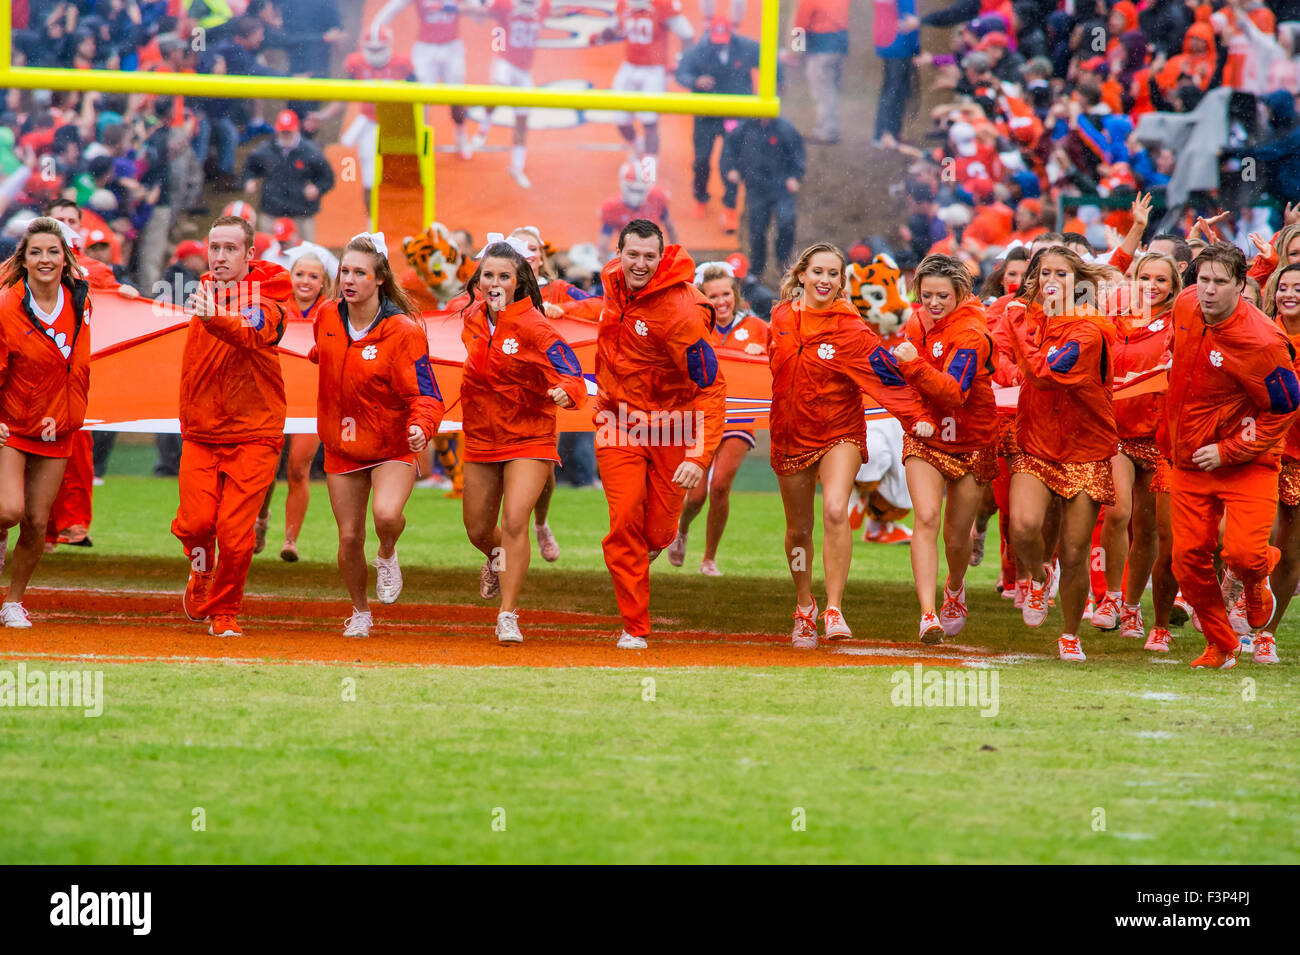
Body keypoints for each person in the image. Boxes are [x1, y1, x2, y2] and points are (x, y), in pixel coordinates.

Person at [769, 243, 932, 648]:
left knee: (835, 510)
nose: (824, 280)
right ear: (802, 274)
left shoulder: (850, 328)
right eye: (818, 272)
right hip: (790, 434)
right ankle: (804, 605)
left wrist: (918, 417)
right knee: (797, 529)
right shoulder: (780, 318)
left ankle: (834, 609)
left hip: (839, 430)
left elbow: (886, 377)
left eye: (833, 274)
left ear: (842, 282)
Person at [1165, 243, 1300, 670]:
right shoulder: (1185, 305)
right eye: (1203, 279)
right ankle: (1221, 646)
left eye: (1220, 282)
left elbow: (1285, 408)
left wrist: (1228, 451)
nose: (1208, 291)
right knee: (1186, 562)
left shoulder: (1263, 342)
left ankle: (1258, 576)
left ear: (1242, 286)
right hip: (1187, 460)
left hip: (1247, 463)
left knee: (1242, 554)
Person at [594, 219, 726, 649]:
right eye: (632, 254)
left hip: (673, 428)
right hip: (617, 423)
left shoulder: (681, 314)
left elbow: (711, 386)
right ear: (619, 252)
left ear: (661, 256)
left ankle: (652, 544)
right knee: (624, 520)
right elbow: (611, 320)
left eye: (649, 256)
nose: (640, 263)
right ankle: (634, 627)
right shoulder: (611, 282)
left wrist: (698, 456)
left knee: (656, 534)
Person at [311, 233, 444, 638]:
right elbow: (322, 352)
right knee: (349, 536)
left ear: (379, 278)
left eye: (359, 273)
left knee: (386, 516)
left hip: (392, 443)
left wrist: (422, 427)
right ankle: (361, 611)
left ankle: (387, 552)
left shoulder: (404, 331)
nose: (349, 280)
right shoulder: (327, 317)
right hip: (342, 445)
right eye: (344, 271)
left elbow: (428, 393)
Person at [458, 237, 586, 643]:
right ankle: (496, 559)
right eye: (488, 275)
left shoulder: (534, 325)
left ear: (518, 282)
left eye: (503, 276)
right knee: (479, 530)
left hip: (529, 435)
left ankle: (507, 615)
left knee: (515, 520)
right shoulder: (472, 319)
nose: (495, 282)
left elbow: (571, 369)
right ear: (479, 281)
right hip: (481, 436)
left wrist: (568, 391)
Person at [172, 215, 293, 639]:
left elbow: (253, 331)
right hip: (202, 432)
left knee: (235, 534)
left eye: (230, 249)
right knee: (196, 522)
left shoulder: (269, 297)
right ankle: (200, 565)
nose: (220, 256)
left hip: (254, 433)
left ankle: (224, 612)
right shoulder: (202, 291)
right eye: (215, 247)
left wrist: (214, 318)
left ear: (249, 255)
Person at [1005, 246, 1119, 662]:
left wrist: (1016, 327)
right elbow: (996, 346)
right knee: (1022, 526)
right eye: (1045, 272)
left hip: (1085, 449)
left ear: (1080, 283)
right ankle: (1037, 576)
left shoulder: (1090, 330)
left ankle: (1070, 633)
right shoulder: (1026, 317)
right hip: (1036, 441)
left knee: (1074, 551)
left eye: (1062, 274)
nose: (1052, 280)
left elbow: (1046, 374)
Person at [892, 254, 997, 644]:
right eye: (926, 296)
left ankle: (954, 585)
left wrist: (914, 364)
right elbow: (902, 384)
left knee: (957, 537)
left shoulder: (971, 334)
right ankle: (927, 613)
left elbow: (953, 392)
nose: (933, 304)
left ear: (961, 294)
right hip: (926, 437)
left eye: (942, 297)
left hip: (970, 439)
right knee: (926, 517)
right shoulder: (915, 323)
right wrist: (916, 414)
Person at [0, 217, 91, 627]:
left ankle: (14, 602)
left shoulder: (81, 300)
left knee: (38, 521)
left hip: (59, 428)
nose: (45, 259)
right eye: (36, 252)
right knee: (8, 510)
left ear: (66, 258)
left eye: (53, 251)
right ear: (24, 258)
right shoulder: (6, 306)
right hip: (13, 425)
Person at [1094, 251, 1181, 651]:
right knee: (1117, 513)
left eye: (1160, 279)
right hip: (1116, 433)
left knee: (1148, 530)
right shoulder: (1111, 321)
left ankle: (1132, 605)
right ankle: (1111, 597)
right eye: (1144, 277)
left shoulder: (1179, 324)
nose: (1151, 286)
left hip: (1159, 438)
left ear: (1173, 286)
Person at [667, 261, 769, 575]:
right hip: (702, 417)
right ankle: (681, 530)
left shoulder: (757, 327)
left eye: (726, 294)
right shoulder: (696, 325)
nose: (721, 301)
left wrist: (762, 353)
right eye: (713, 296)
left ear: (736, 295)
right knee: (695, 492)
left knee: (721, 485)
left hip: (740, 418)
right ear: (703, 298)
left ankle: (709, 558)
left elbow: (779, 360)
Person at [507, 226, 593, 562]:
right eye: (519, 247)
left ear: (543, 257)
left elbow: (601, 304)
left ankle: (540, 523)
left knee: (543, 467)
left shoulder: (557, 289)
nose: (529, 253)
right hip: (502, 391)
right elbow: (460, 308)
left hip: (547, 390)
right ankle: (495, 546)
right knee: (495, 473)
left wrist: (566, 311)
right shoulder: (496, 286)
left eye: (534, 248)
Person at [257, 247, 334, 562]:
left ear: (323, 282)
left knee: (298, 469)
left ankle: (290, 540)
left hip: (311, 404)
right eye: (300, 274)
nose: (305, 281)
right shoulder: (275, 306)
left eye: (313, 276)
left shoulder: (331, 312)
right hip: (273, 400)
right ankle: (261, 520)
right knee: (266, 471)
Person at [674, 16, 761, 231]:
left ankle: (730, 208)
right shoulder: (698, 50)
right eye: (716, 39)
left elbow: (771, 61)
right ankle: (700, 197)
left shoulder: (747, 47)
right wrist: (695, 81)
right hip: (706, 115)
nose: (720, 44)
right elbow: (681, 72)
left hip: (734, 115)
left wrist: (779, 81)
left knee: (731, 162)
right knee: (702, 160)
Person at [1255, 262, 1300, 664]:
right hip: (1263, 451)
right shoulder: (1261, 333)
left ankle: (1267, 632)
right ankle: (1243, 602)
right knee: (1257, 541)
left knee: (1291, 550)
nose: (1290, 294)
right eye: (1283, 286)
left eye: (1298, 288)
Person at [368, 0, 473, 159]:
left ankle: (461, 135)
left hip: (452, 47)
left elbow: (480, 12)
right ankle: (422, 139)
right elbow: (391, 9)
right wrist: (376, 29)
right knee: (421, 98)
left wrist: (458, 8)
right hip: (425, 48)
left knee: (457, 97)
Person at [596, 0, 695, 168]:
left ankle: (649, 174)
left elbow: (687, 35)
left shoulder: (663, 5)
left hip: (653, 71)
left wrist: (681, 62)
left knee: (649, 123)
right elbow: (614, 28)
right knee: (621, 119)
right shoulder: (623, 5)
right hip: (629, 66)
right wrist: (600, 36)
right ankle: (637, 147)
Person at [470, 0, 552, 190]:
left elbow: (553, 15)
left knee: (522, 121)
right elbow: (482, 15)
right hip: (505, 63)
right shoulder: (504, 4)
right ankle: (483, 128)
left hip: (525, 71)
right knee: (496, 95)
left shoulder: (544, 6)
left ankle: (517, 166)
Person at [720, 116, 805, 282]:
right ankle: (757, 268)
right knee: (757, 229)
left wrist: (795, 176)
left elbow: (798, 152)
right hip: (756, 187)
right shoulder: (745, 128)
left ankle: (784, 263)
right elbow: (729, 147)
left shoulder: (785, 128)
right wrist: (730, 168)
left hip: (782, 186)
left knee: (786, 222)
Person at [242, 110, 335, 242]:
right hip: (272, 213)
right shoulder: (265, 149)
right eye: (283, 131)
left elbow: (328, 178)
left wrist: (317, 188)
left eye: (288, 131)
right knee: (269, 255)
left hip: (301, 214)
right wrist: (249, 180)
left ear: (296, 129)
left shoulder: (311, 152)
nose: (285, 135)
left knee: (305, 256)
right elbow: (249, 167)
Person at [793, 0, 850, 145]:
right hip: (839, 47)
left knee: (822, 91)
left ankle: (827, 131)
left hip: (821, 48)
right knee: (830, 90)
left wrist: (797, 50)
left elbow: (801, 24)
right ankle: (828, 128)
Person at [598, 159, 678, 259]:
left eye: (640, 191)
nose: (636, 195)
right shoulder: (612, 207)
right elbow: (603, 245)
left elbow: (670, 228)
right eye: (633, 190)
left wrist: (674, 256)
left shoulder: (657, 198)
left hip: (652, 253)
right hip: (628, 255)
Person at [872, 1, 921, 147]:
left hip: (885, 42)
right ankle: (887, 134)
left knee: (889, 89)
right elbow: (909, 21)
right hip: (900, 44)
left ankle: (886, 133)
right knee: (896, 91)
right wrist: (916, 48)